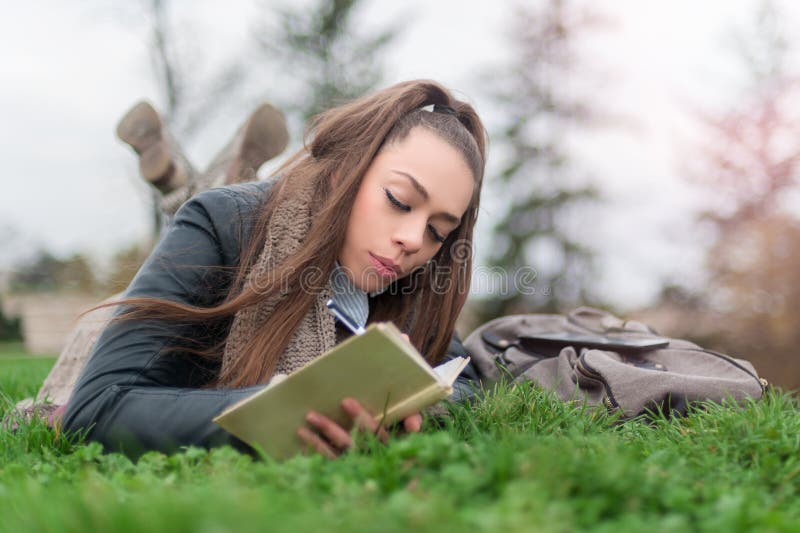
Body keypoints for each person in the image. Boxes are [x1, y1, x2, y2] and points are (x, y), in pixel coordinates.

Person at [61, 79, 487, 459]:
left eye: (437, 230)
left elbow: (459, 377)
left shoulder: (406, 276)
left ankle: (200, 177)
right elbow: (97, 406)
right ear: (343, 171)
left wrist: (416, 405)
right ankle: (194, 185)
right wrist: (277, 411)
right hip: (112, 325)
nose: (414, 239)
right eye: (399, 201)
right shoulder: (219, 222)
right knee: (211, 203)